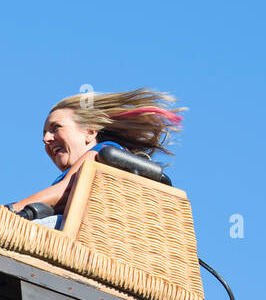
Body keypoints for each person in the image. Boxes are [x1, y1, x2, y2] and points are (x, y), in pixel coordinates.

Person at [10, 89, 184, 220]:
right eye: (44, 133)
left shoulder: (104, 152)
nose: (46, 139)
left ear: (90, 132)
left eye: (56, 128)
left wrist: (10, 211)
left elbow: (66, 191)